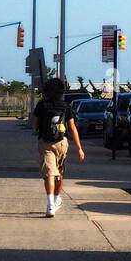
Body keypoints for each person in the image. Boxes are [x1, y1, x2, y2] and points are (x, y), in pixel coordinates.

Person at [32, 77, 84, 217]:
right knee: (59, 174)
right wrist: (79, 148)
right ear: (61, 91)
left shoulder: (41, 105)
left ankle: (50, 205)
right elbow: (72, 128)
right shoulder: (65, 106)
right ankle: (56, 200)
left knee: (49, 173)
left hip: (46, 143)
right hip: (62, 143)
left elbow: (34, 126)